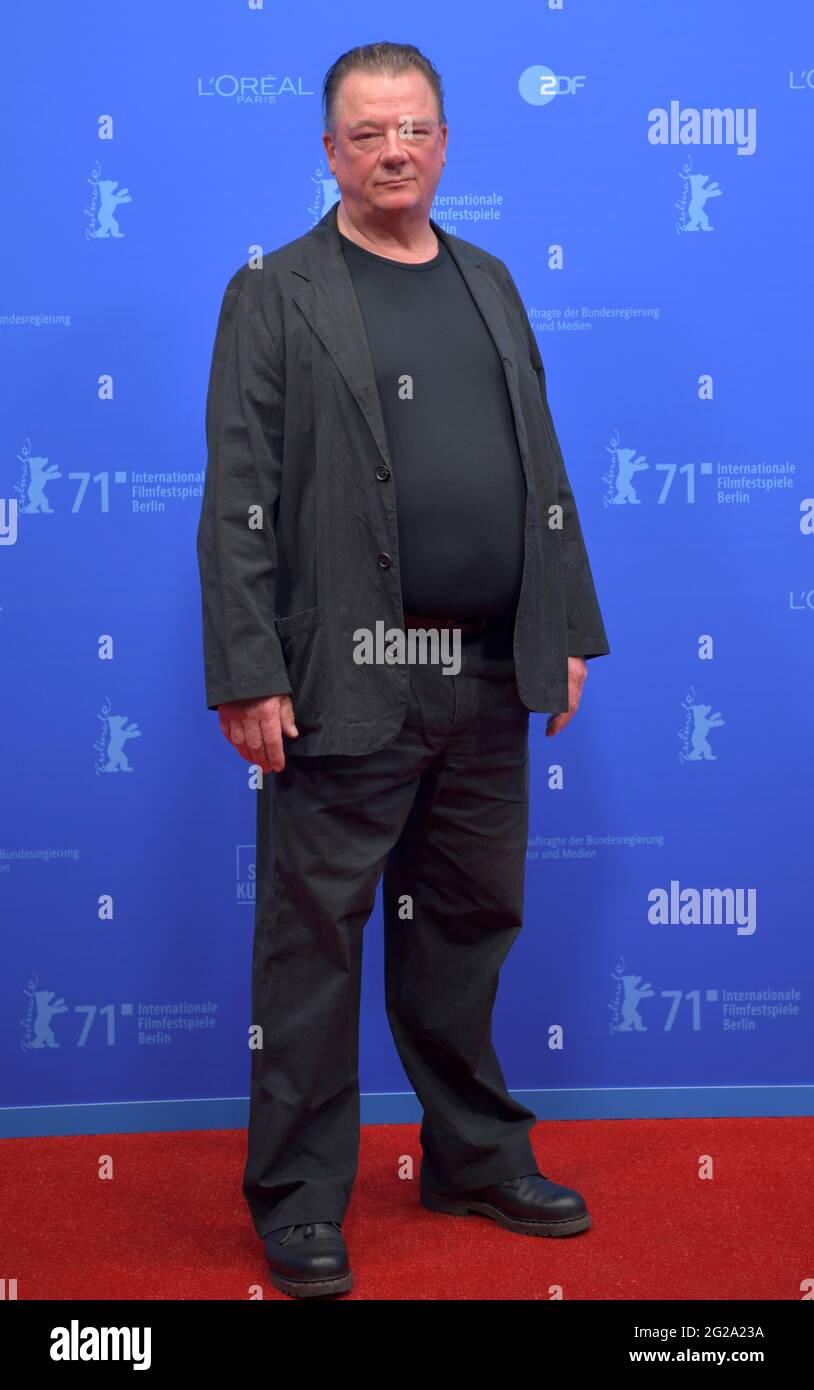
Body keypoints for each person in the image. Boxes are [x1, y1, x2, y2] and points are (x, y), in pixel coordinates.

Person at [196, 41, 610, 1299]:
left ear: (444, 143)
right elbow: (237, 498)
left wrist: (564, 632)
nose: (396, 150)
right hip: (344, 676)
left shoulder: (486, 280)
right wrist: (247, 670)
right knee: (311, 947)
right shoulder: (275, 291)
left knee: (468, 932)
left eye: (416, 129)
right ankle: (301, 1198)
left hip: (485, 675)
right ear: (329, 151)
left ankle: (473, 1156)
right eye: (369, 132)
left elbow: (539, 466)